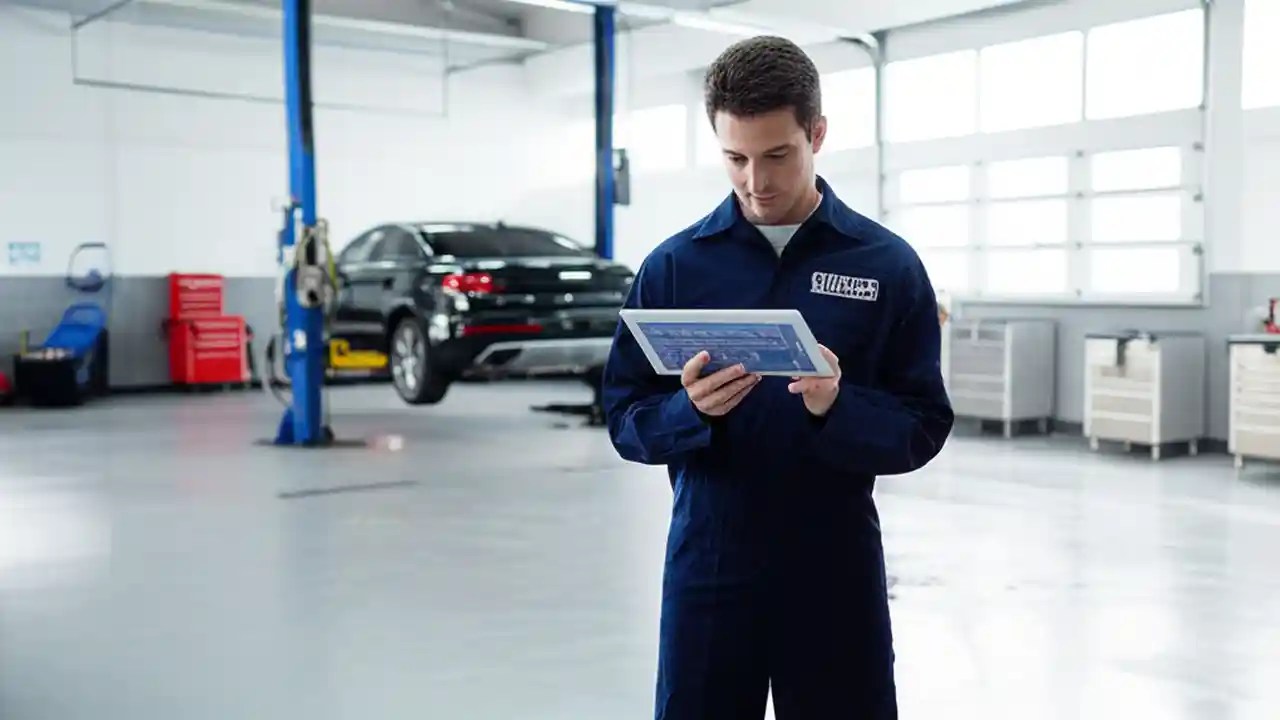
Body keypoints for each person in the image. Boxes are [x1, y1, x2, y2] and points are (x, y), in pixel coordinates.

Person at [601, 35, 955, 719]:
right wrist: (688, 412)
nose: (755, 182)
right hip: (709, 563)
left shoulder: (886, 267)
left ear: (816, 133)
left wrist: (836, 407)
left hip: (834, 567)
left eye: (777, 156)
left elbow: (923, 424)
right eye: (734, 158)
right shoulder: (675, 268)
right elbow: (624, 416)